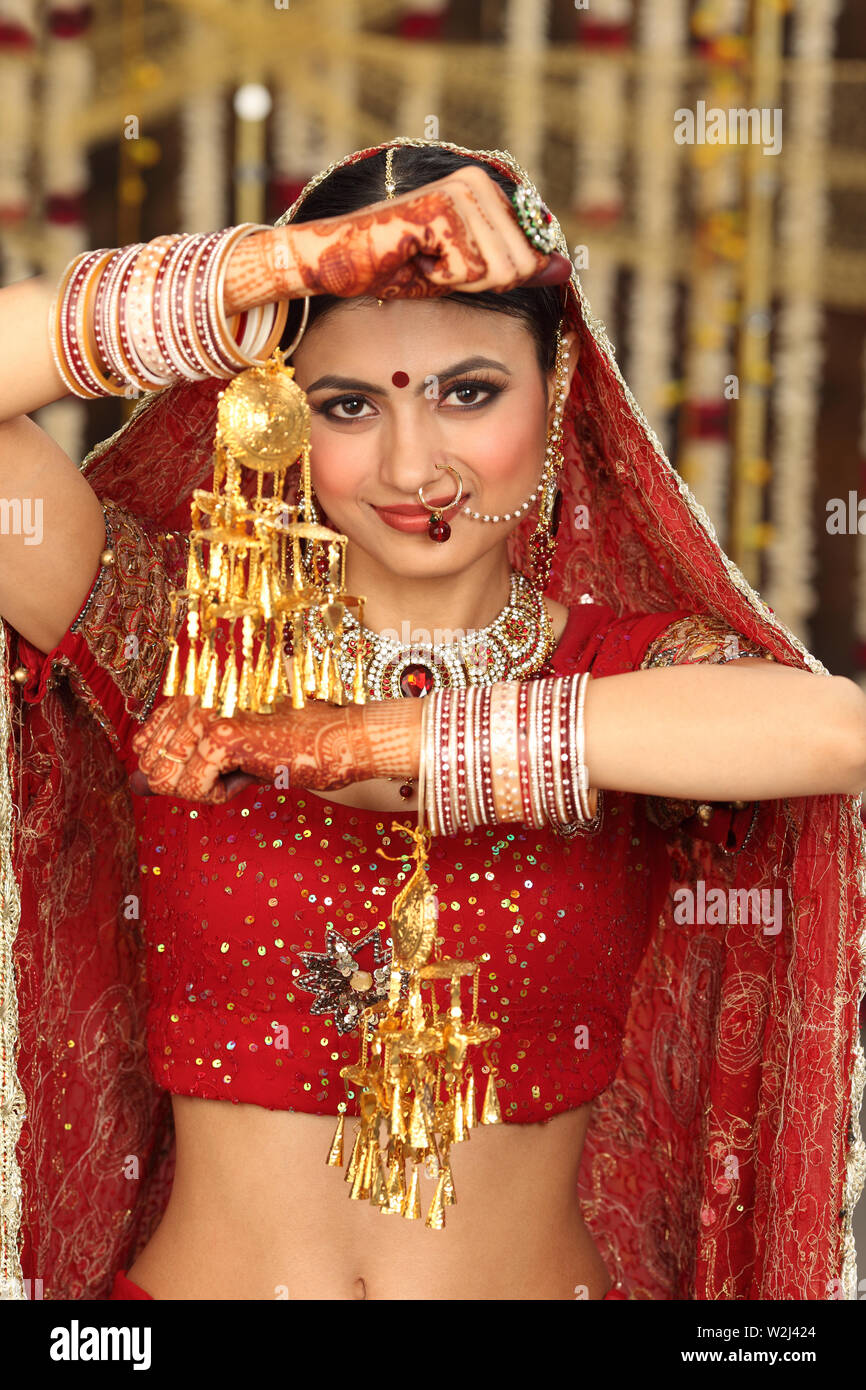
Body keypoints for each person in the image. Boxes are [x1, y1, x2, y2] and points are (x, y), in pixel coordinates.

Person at [1, 137, 864, 1302]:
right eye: (347, 404)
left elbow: (832, 731)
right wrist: (273, 269)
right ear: (281, 416)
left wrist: (366, 743)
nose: (416, 465)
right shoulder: (181, 644)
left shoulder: (638, 674)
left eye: (468, 392)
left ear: (557, 393)